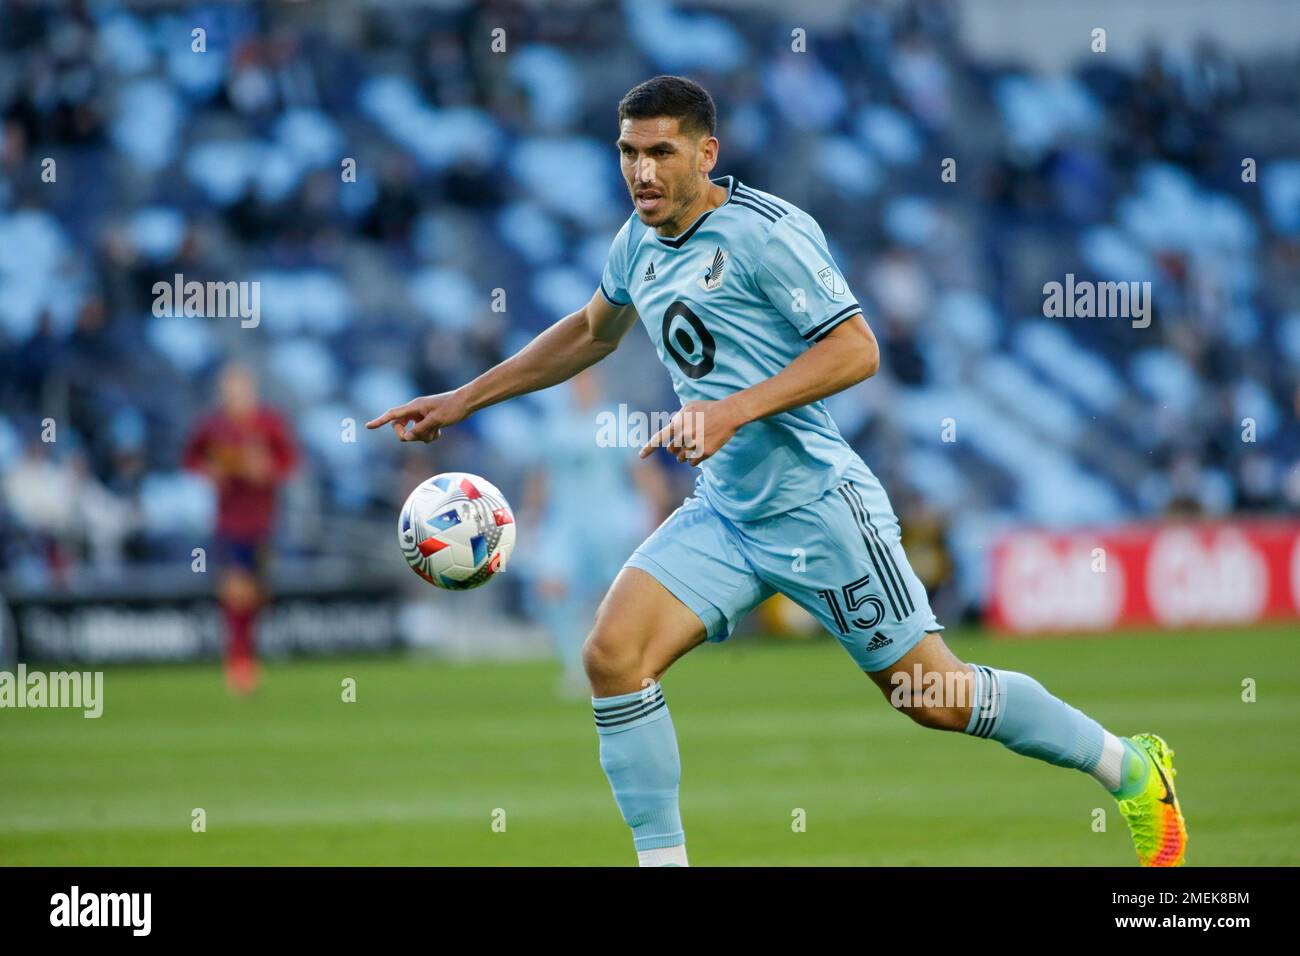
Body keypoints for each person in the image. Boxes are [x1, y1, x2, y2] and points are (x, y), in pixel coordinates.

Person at [367, 76, 1187, 868]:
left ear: (706, 154)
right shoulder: (636, 244)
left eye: (659, 152)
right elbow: (590, 331)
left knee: (934, 698)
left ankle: (1130, 768)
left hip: (817, 506)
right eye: (627, 153)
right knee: (612, 655)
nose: (641, 172)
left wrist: (730, 411)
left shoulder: (768, 233)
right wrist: (466, 398)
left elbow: (856, 350)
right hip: (725, 510)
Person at [519, 368, 670, 698]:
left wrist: (655, 511)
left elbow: (641, 468)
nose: (579, 387)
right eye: (573, 381)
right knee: (551, 588)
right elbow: (541, 474)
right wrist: (531, 515)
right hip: (564, 523)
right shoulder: (553, 424)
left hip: (609, 518)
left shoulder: (616, 418)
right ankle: (575, 667)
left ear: (596, 382)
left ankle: (616, 663)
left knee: (613, 596)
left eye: (585, 380)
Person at [184, 363, 297, 695]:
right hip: (228, 523)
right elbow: (190, 459)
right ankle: (239, 663)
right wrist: (209, 471)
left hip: (262, 523)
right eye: (229, 389)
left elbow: (289, 462)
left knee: (257, 595)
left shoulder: (268, 423)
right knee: (236, 592)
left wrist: (266, 470)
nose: (235, 396)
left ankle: (249, 652)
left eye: (240, 388)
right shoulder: (213, 427)